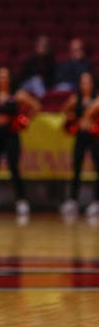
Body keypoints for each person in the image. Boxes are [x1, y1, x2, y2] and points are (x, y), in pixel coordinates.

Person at [0, 66, 40, 218]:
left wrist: (25, 120)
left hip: (10, 134)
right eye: (0, 76)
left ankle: (21, 200)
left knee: (14, 167)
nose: (2, 79)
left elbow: (36, 106)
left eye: (5, 76)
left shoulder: (16, 94)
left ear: (10, 79)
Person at [59, 71, 99, 218]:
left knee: (97, 167)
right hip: (80, 136)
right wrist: (72, 118)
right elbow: (64, 110)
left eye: (88, 82)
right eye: (83, 82)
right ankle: (72, 200)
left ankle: (96, 202)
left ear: (93, 84)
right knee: (76, 167)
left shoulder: (97, 99)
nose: (86, 85)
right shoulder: (75, 99)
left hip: (95, 136)